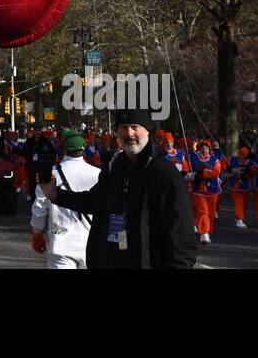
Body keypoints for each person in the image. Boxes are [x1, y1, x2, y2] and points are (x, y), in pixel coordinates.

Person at [39, 109, 197, 269]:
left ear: (147, 130)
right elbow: (94, 201)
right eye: (123, 127)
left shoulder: (164, 172)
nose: (129, 133)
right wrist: (55, 195)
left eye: (135, 126)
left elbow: (181, 233)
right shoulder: (115, 167)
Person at [30, 130, 98, 268]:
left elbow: (40, 207)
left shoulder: (50, 175)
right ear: (83, 149)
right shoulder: (99, 175)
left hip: (61, 244)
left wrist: (37, 233)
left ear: (64, 149)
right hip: (91, 244)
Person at [188, 139, 222, 245]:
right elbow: (188, 169)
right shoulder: (193, 158)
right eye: (202, 148)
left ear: (210, 150)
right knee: (203, 211)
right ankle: (204, 233)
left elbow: (216, 172)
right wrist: (191, 175)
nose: (205, 150)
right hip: (198, 190)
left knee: (211, 213)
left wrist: (203, 172)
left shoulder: (215, 160)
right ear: (199, 149)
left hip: (212, 190)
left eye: (207, 148)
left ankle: (207, 231)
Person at [226, 145, 254, 229]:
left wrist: (246, 172)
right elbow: (226, 166)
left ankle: (240, 217)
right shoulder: (232, 160)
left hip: (245, 185)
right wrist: (232, 170)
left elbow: (253, 172)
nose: (240, 156)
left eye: (243, 155)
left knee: (244, 203)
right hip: (234, 185)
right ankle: (239, 218)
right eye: (240, 154)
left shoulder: (249, 163)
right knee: (238, 202)